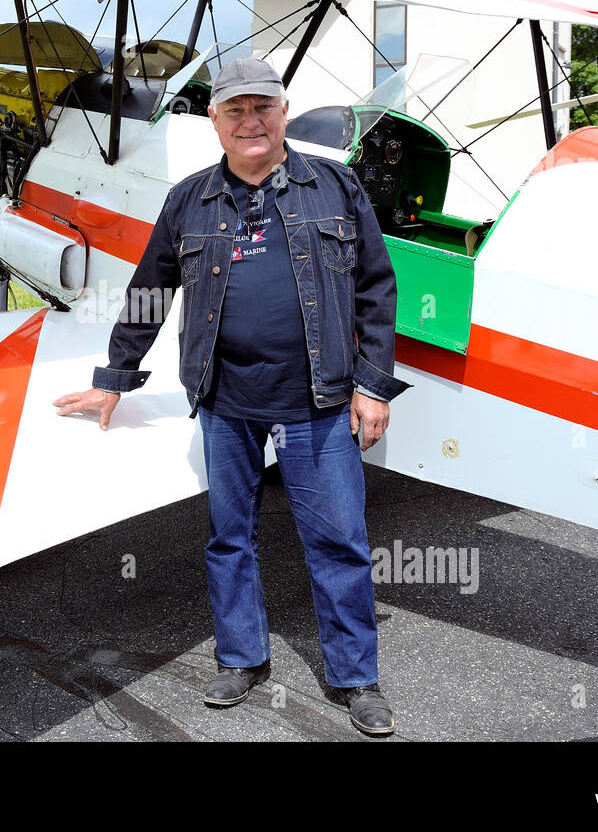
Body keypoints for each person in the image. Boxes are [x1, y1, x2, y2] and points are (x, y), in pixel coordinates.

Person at [53, 56, 409, 737]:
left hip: (321, 400)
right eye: (235, 109)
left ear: (284, 111)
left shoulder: (334, 185)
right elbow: (151, 289)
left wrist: (371, 384)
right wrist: (114, 378)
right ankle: (242, 657)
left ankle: (355, 677)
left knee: (339, 540)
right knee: (229, 537)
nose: (252, 120)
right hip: (227, 400)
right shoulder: (188, 199)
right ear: (214, 119)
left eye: (263, 106)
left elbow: (377, 286)